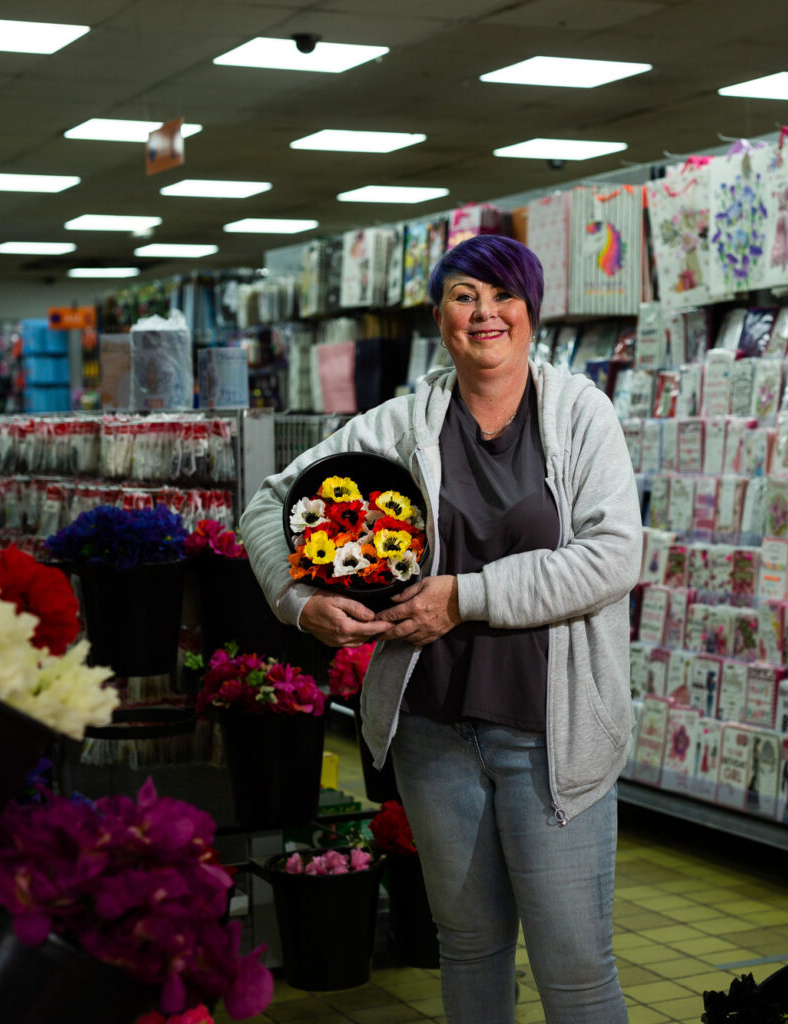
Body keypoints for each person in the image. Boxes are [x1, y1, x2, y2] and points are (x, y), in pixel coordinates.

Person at [241, 234, 641, 1024]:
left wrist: (467, 596)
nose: (485, 313)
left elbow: (613, 558)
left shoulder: (579, 414)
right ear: (439, 316)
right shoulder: (399, 423)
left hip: (551, 737)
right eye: (464, 295)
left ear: (532, 314)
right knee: (468, 947)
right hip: (432, 735)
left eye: (503, 297)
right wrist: (299, 600)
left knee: (576, 966)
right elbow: (268, 502)